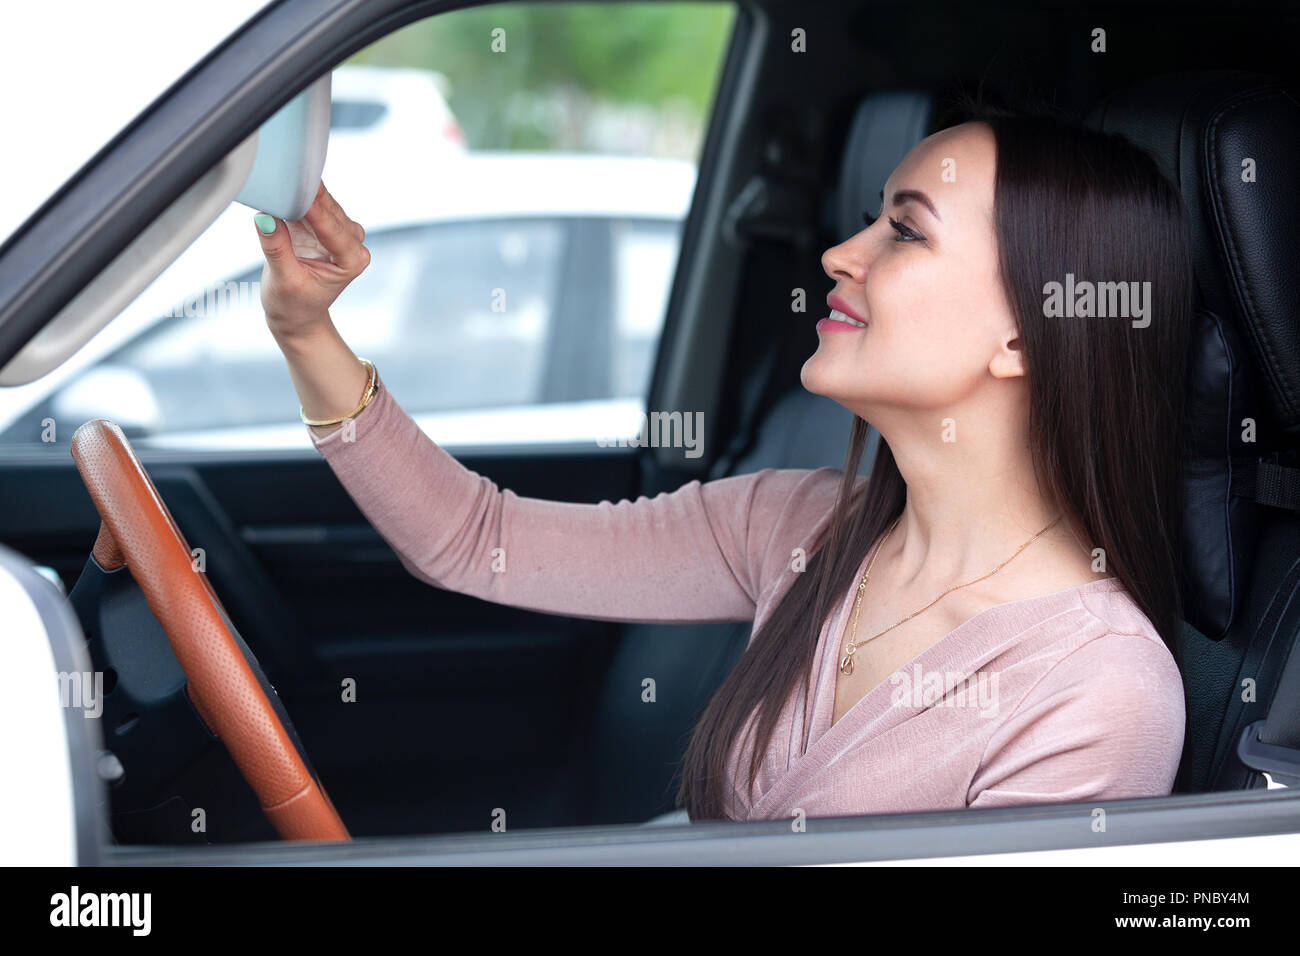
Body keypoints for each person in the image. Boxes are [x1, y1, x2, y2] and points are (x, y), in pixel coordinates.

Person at [253, 107, 1192, 824]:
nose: (839, 253)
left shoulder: (1097, 691)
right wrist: (306, 331)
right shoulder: (797, 526)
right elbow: (475, 540)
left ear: (1025, 332)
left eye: (903, 232)